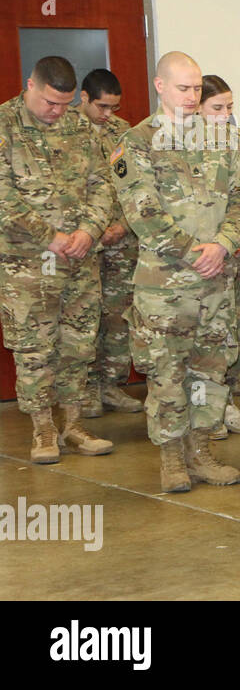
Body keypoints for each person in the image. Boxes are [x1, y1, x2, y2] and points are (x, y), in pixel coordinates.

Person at [114, 52, 240, 492]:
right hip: (165, 284)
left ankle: (202, 451)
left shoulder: (220, 138)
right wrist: (194, 252)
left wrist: (224, 244)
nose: (192, 97)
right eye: (183, 88)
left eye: (196, 89)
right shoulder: (136, 142)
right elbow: (142, 211)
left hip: (215, 281)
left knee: (210, 370)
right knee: (167, 373)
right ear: (160, 87)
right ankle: (172, 458)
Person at [0, 56, 115, 463]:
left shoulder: (81, 128)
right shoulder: (5, 126)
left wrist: (88, 231)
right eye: (50, 102)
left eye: (65, 104)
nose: (57, 112)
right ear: (29, 84)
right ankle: (42, 430)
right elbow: (4, 198)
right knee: (35, 349)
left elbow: (103, 186)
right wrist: (50, 237)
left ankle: (73, 425)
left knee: (78, 346)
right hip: (29, 263)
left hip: (80, 259)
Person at [197, 74, 240, 438]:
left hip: (239, 253)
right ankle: (206, 409)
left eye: (230, 108)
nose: (225, 115)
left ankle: (226, 402)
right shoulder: (183, 149)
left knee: (235, 329)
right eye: (216, 108)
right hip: (205, 258)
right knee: (208, 336)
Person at [78, 68, 144, 417]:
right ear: (84, 99)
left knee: (119, 316)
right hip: (84, 243)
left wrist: (121, 222)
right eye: (102, 107)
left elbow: (132, 183)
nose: (108, 114)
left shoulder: (124, 133)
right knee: (85, 317)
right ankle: (85, 389)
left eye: (114, 107)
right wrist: (93, 227)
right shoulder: (67, 131)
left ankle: (112, 386)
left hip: (120, 241)